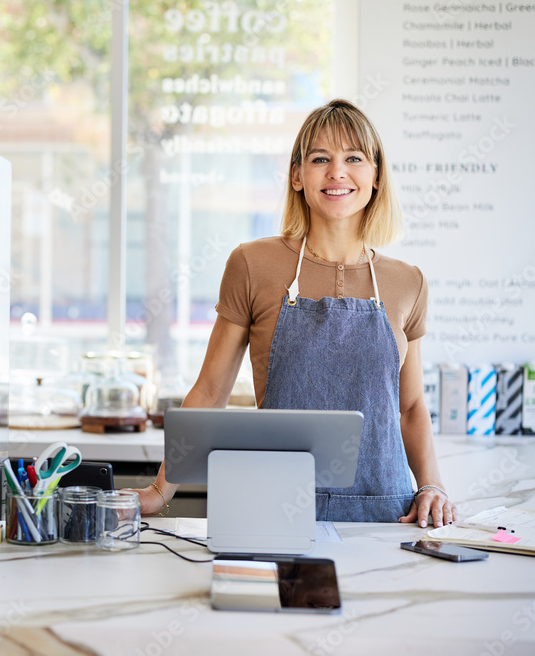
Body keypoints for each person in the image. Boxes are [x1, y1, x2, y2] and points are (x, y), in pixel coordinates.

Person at [135, 98, 455, 527]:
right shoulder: (252, 264)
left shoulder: (407, 282)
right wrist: (160, 491)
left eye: (354, 158)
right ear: (297, 176)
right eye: (320, 158)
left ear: (376, 176)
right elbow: (211, 391)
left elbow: (411, 405)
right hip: (273, 505)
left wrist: (431, 486)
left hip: (385, 513)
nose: (337, 171)